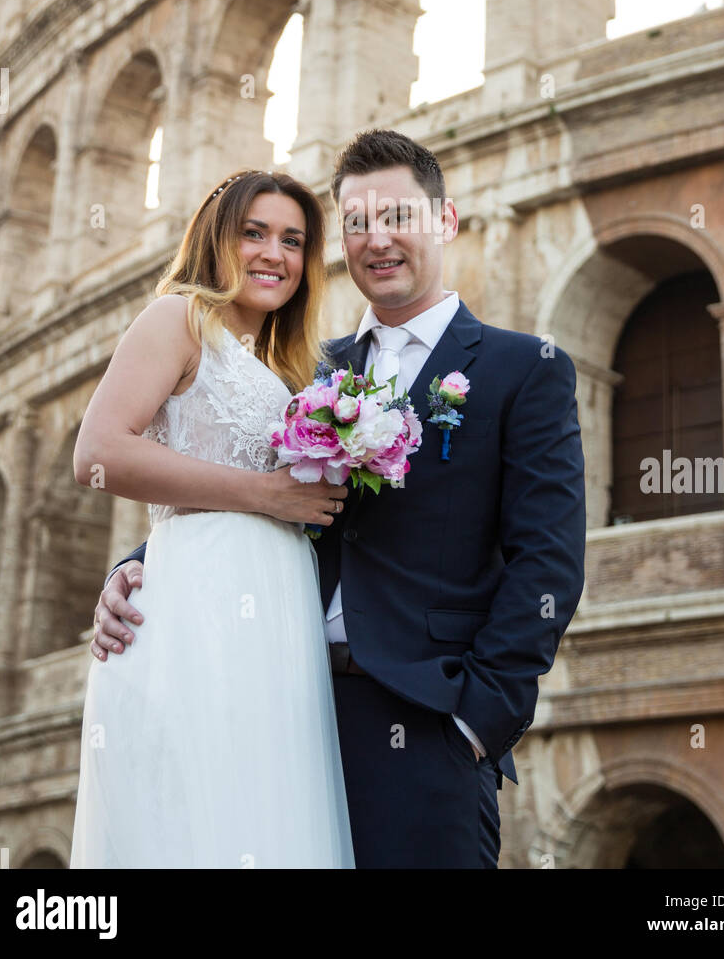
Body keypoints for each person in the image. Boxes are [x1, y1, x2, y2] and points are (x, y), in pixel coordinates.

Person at [95, 129, 586, 869]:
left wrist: (479, 721)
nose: (377, 239)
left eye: (398, 217)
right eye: (357, 223)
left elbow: (547, 560)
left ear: (445, 222)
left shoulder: (524, 370)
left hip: (424, 720)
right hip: (274, 703)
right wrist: (139, 566)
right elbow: (255, 488)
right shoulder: (303, 374)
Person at [70, 169, 354, 868]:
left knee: (265, 813)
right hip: (201, 604)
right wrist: (265, 494)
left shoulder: (287, 369)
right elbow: (99, 452)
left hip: (278, 614)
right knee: (195, 810)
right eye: (253, 232)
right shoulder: (178, 317)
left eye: (292, 240)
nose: (273, 254)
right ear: (216, 237)